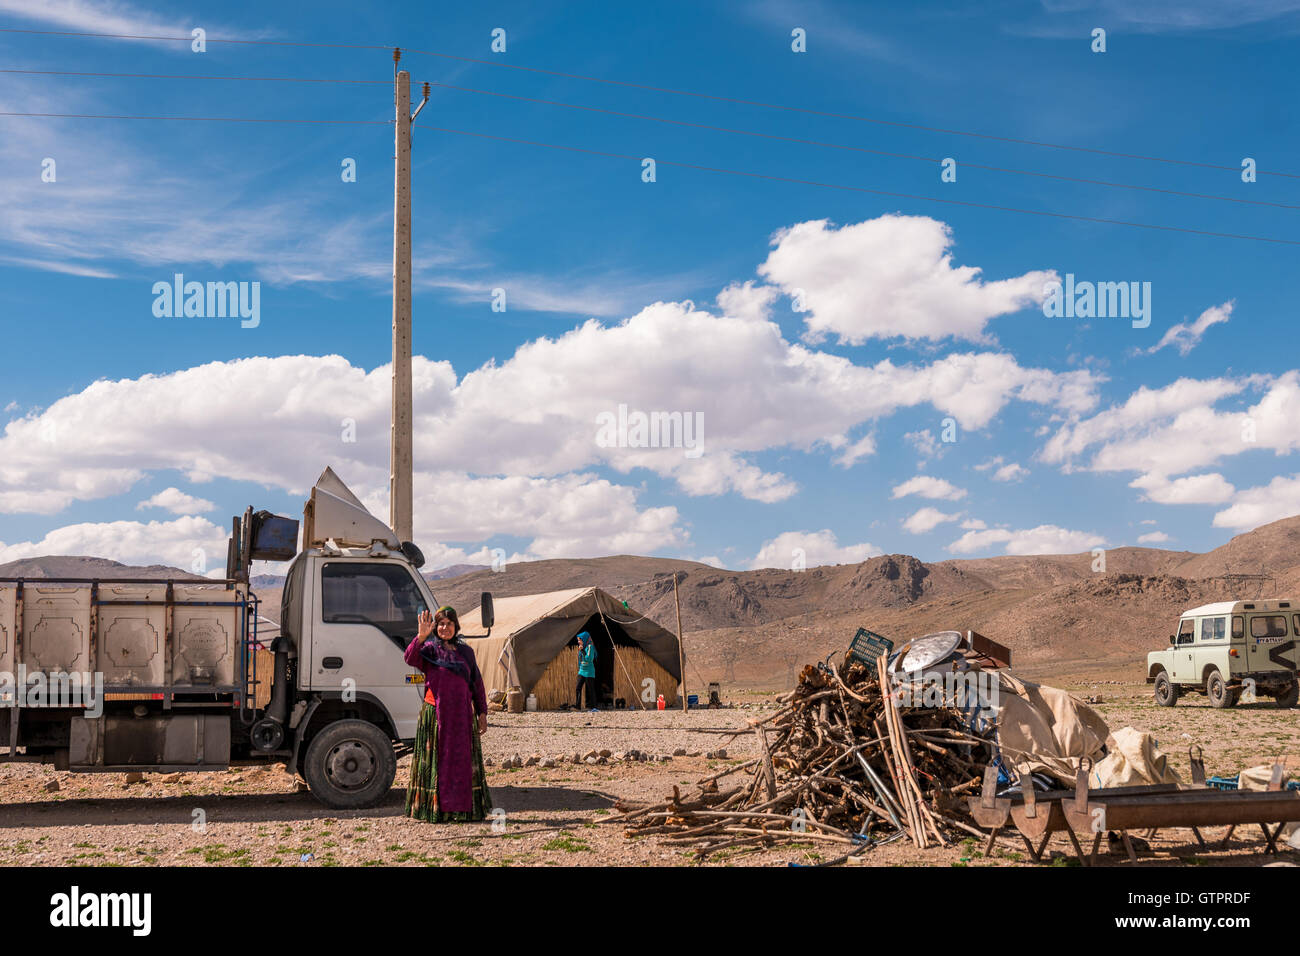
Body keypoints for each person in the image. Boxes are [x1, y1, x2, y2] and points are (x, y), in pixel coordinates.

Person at [403, 604, 492, 822]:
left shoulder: (466, 653)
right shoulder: (430, 650)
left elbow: (476, 684)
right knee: (438, 763)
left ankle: (462, 810)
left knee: (460, 763)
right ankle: (435, 809)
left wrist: (482, 712)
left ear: (456, 626)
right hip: (436, 717)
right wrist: (420, 637)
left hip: (461, 718)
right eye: (441, 624)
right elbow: (409, 658)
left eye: (449, 623)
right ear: (436, 627)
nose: (444, 627)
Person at [575, 631, 599, 711]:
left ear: (584, 639)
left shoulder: (589, 647)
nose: (578, 642)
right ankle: (577, 706)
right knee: (578, 688)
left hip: (589, 671)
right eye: (578, 640)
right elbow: (581, 659)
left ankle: (594, 707)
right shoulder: (582, 647)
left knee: (590, 689)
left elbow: (589, 658)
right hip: (582, 671)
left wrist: (582, 651)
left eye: (580, 640)